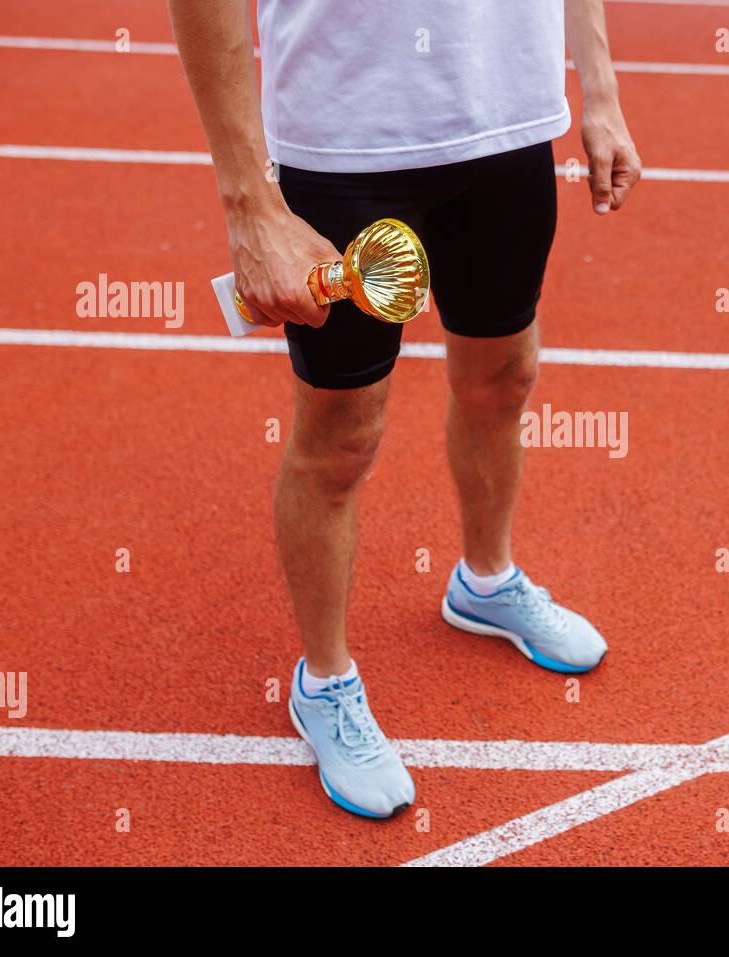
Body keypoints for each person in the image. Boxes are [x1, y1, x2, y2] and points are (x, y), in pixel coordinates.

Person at [167, 0, 641, 817]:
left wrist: (601, 89)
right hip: (347, 137)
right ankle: (324, 683)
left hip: (510, 120)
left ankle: (485, 582)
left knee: (505, 377)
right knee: (342, 437)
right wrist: (250, 205)